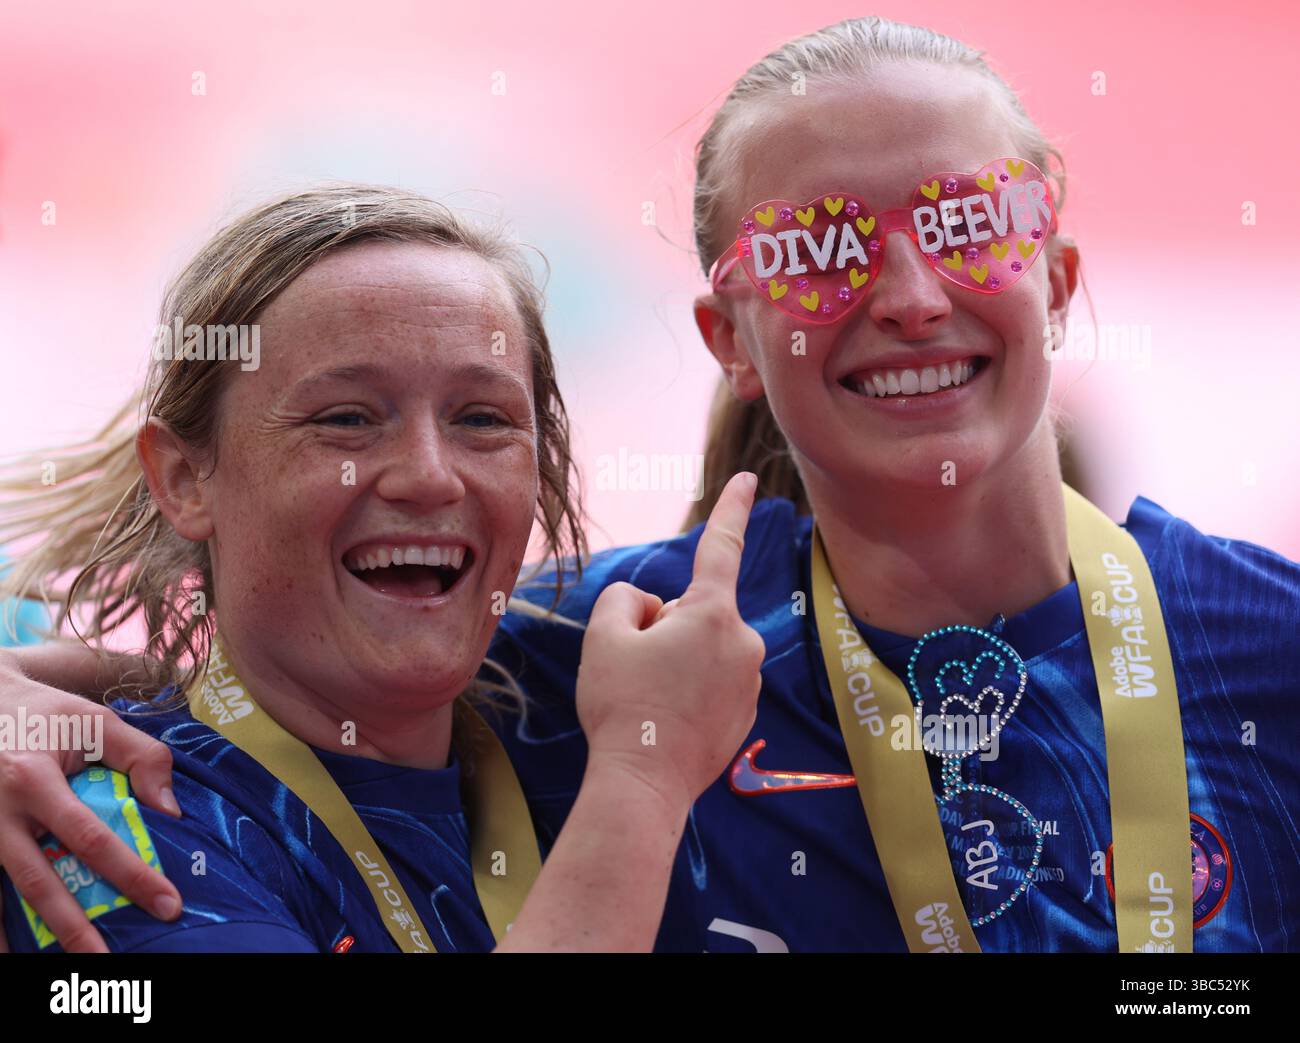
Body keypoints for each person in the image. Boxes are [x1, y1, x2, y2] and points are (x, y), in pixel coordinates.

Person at [4, 16, 1298, 953]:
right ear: (727, 338)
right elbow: (281, 679)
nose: (908, 298)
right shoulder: (631, 662)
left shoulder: (1270, 646)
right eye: (820, 249)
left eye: (964, 223)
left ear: (1056, 278)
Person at [0, 185, 764, 952]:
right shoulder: (112, 822)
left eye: (481, 419)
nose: (430, 476)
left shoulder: (588, 673)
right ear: (183, 478)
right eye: (346, 418)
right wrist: (639, 777)